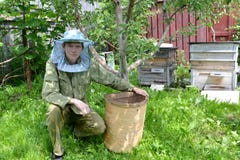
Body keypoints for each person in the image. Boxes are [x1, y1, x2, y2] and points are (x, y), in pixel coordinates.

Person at [42, 29, 148, 160]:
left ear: (82, 48)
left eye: (77, 46)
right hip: (62, 107)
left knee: (99, 127)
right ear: (63, 46)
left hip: (81, 109)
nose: (73, 50)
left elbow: (110, 79)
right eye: (70, 46)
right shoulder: (53, 64)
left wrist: (132, 88)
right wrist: (72, 100)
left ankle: (76, 131)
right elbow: (49, 92)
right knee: (52, 110)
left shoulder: (88, 65)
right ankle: (57, 152)